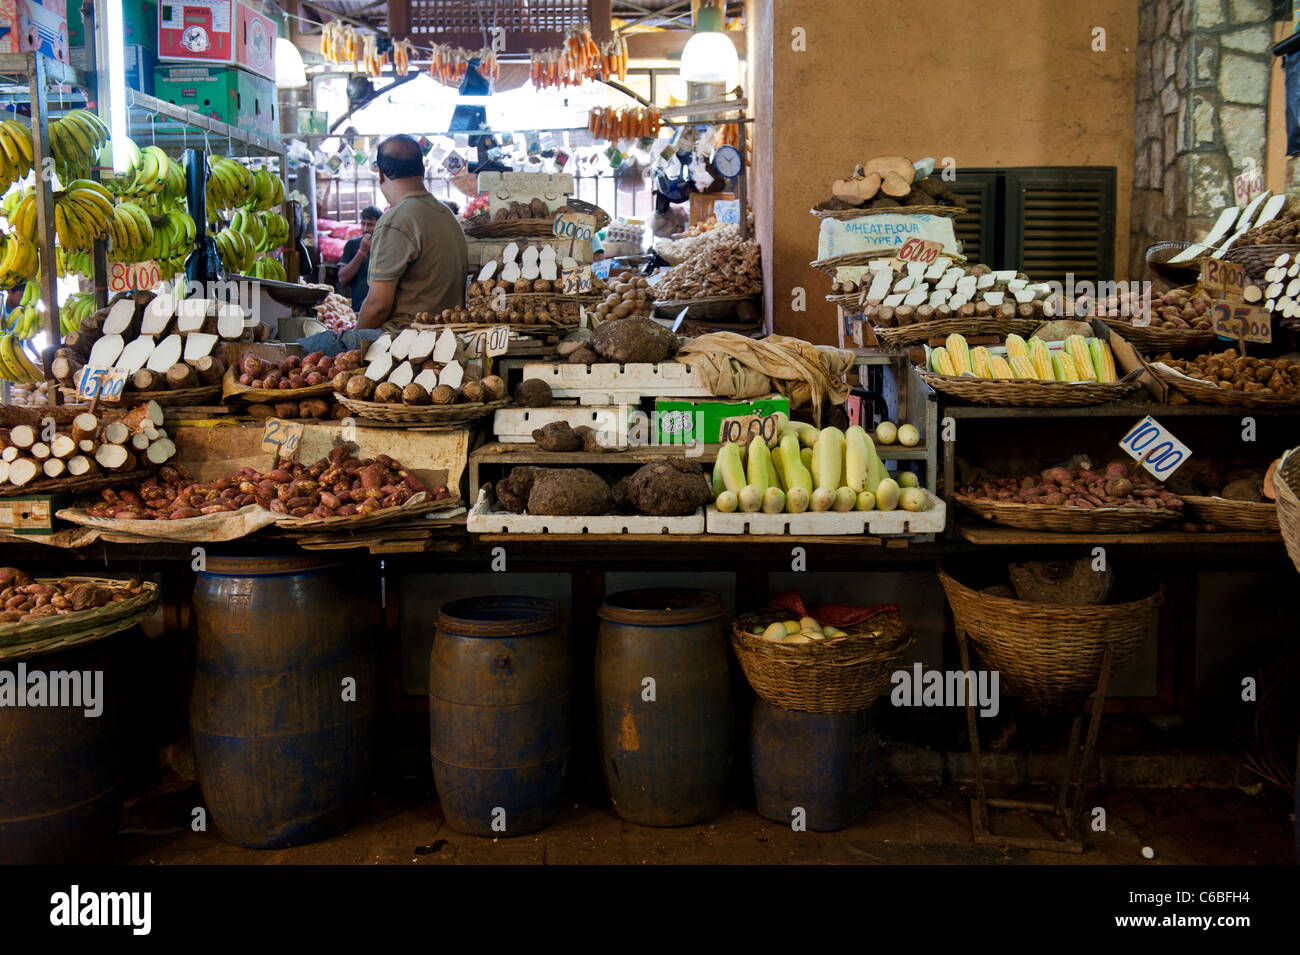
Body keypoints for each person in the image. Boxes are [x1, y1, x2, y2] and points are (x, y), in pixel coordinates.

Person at [356, 135, 468, 331]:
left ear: (381, 174)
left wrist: (352, 346)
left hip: (402, 342)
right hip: (447, 335)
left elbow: (377, 306)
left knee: (315, 344)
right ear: (422, 170)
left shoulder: (395, 221)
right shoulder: (447, 216)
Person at [337, 205, 381, 312]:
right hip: (359, 310)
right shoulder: (352, 245)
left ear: (380, 225)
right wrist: (362, 252)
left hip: (382, 309)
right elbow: (342, 279)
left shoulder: (386, 246)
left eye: (370, 225)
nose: (365, 229)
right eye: (363, 224)